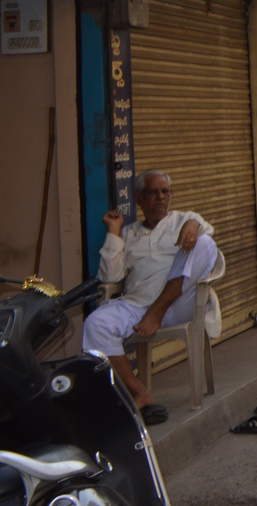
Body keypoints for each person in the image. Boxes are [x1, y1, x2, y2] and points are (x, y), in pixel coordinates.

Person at [82, 170, 220, 426]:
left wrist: (193, 226)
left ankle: (157, 311)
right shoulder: (129, 234)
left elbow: (205, 242)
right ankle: (140, 393)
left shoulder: (184, 219)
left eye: (165, 191)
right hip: (137, 306)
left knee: (205, 244)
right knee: (94, 324)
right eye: (152, 192)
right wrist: (114, 232)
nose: (160, 197)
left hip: (179, 305)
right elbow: (110, 276)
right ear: (138, 198)